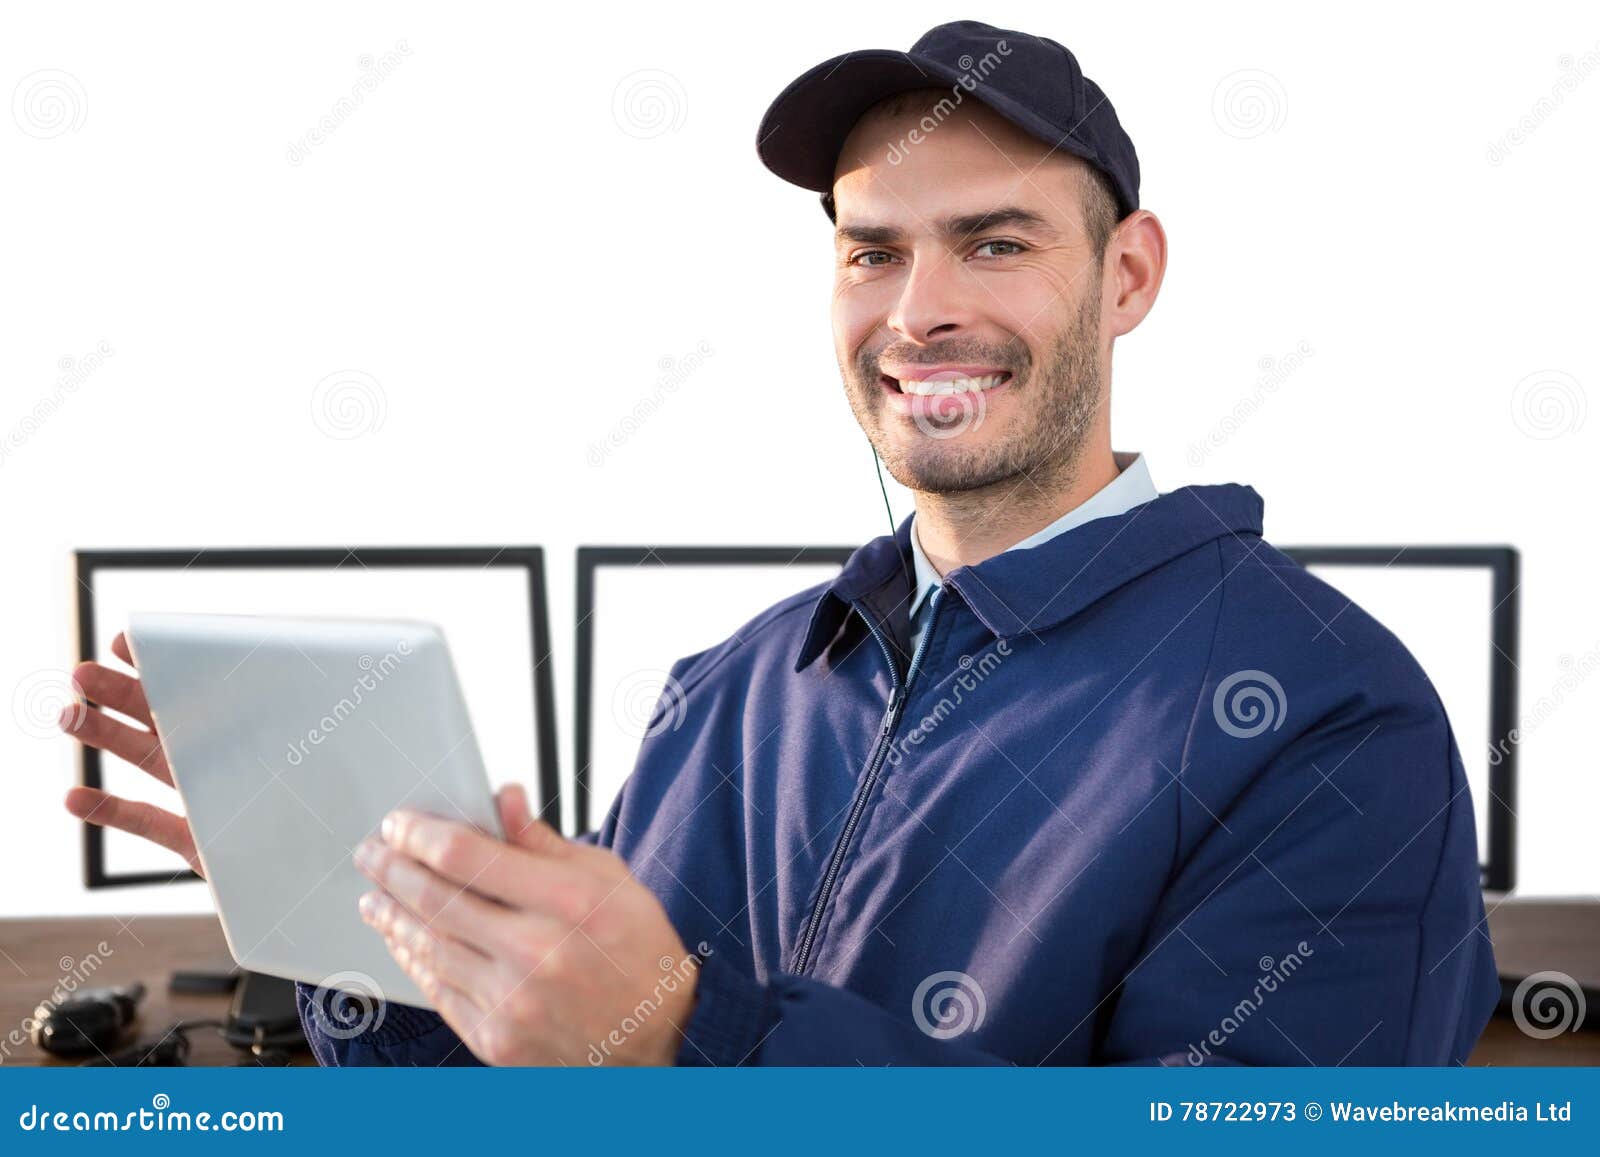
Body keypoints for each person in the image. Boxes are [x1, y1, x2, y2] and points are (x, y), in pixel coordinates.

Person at [59, 20, 1499, 1066]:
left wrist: (692, 1035)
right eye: (873, 251)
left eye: (996, 243)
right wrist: (370, 935)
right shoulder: (733, 689)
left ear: (1128, 276)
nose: (919, 309)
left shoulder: (1328, 717)